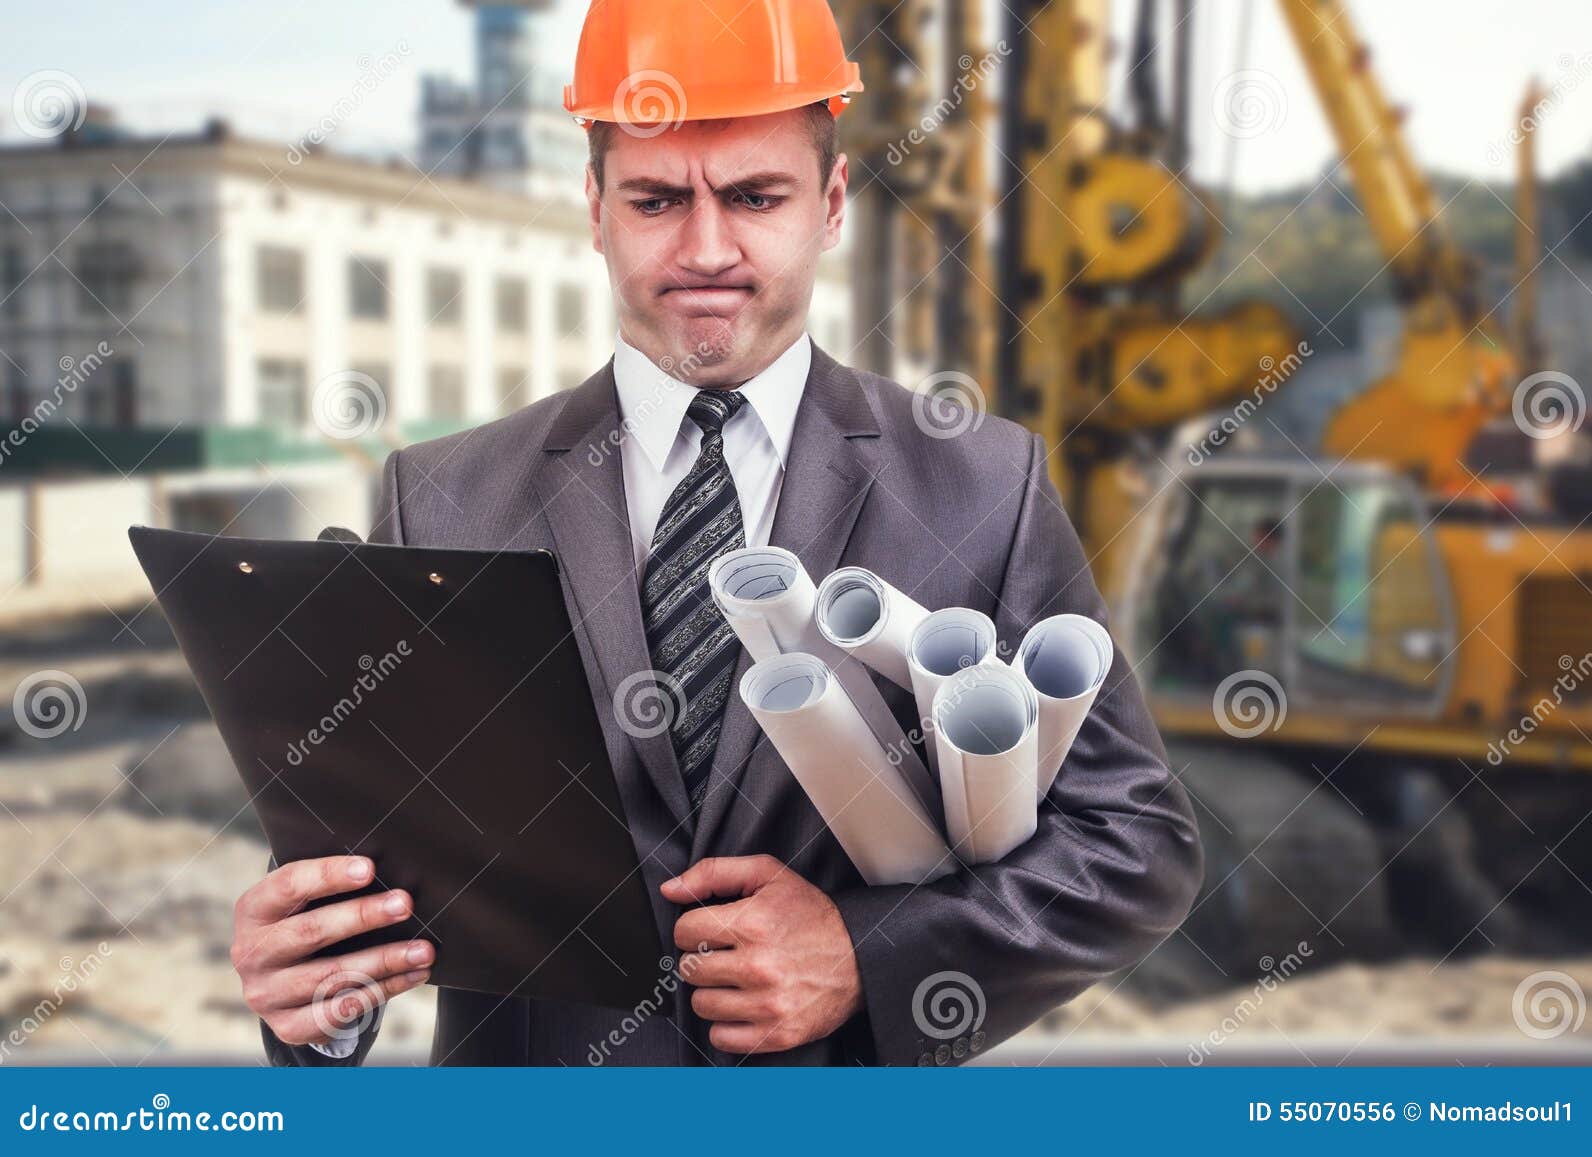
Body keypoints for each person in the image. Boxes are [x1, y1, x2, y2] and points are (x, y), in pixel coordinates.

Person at [230, 0, 1203, 1066]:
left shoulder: (981, 481)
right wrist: (312, 998)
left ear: (830, 204)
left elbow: (1134, 845)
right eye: (655, 199)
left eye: (753, 196)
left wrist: (867, 953)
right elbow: (358, 874)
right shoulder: (441, 497)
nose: (705, 248)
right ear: (593, 205)